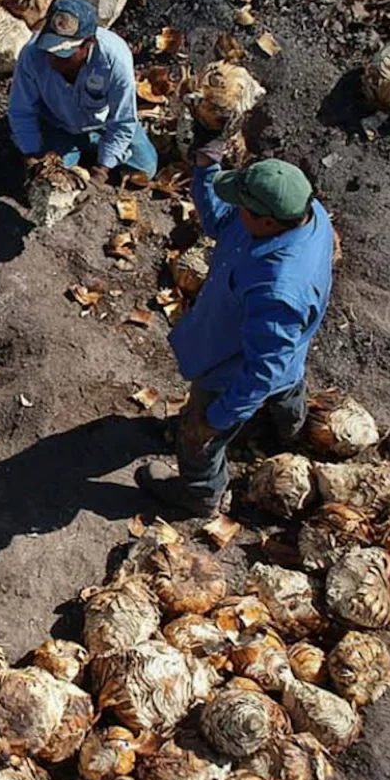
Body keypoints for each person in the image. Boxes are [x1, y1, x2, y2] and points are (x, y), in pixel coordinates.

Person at [136, 149, 335, 516]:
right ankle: (288, 431)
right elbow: (219, 222)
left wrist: (215, 421)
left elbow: (261, 371)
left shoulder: (278, 290)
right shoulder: (307, 213)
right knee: (289, 384)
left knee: (197, 435)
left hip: (231, 365)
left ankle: (200, 495)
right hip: (286, 353)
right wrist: (205, 172)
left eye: (242, 206)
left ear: (268, 223)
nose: (236, 212)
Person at [7, 0, 158, 182]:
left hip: (101, 125)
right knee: (52, 178)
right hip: (57, 124)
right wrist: (31, 155)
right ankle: (71, 152)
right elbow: (21, 110)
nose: (53, 58)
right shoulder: (31, 54)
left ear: (88, 44)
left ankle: (96, 152)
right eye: (50, 50)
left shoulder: (114, 59)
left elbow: (123, 120)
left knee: (146, 168)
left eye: (64, 53)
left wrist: (103, 170)